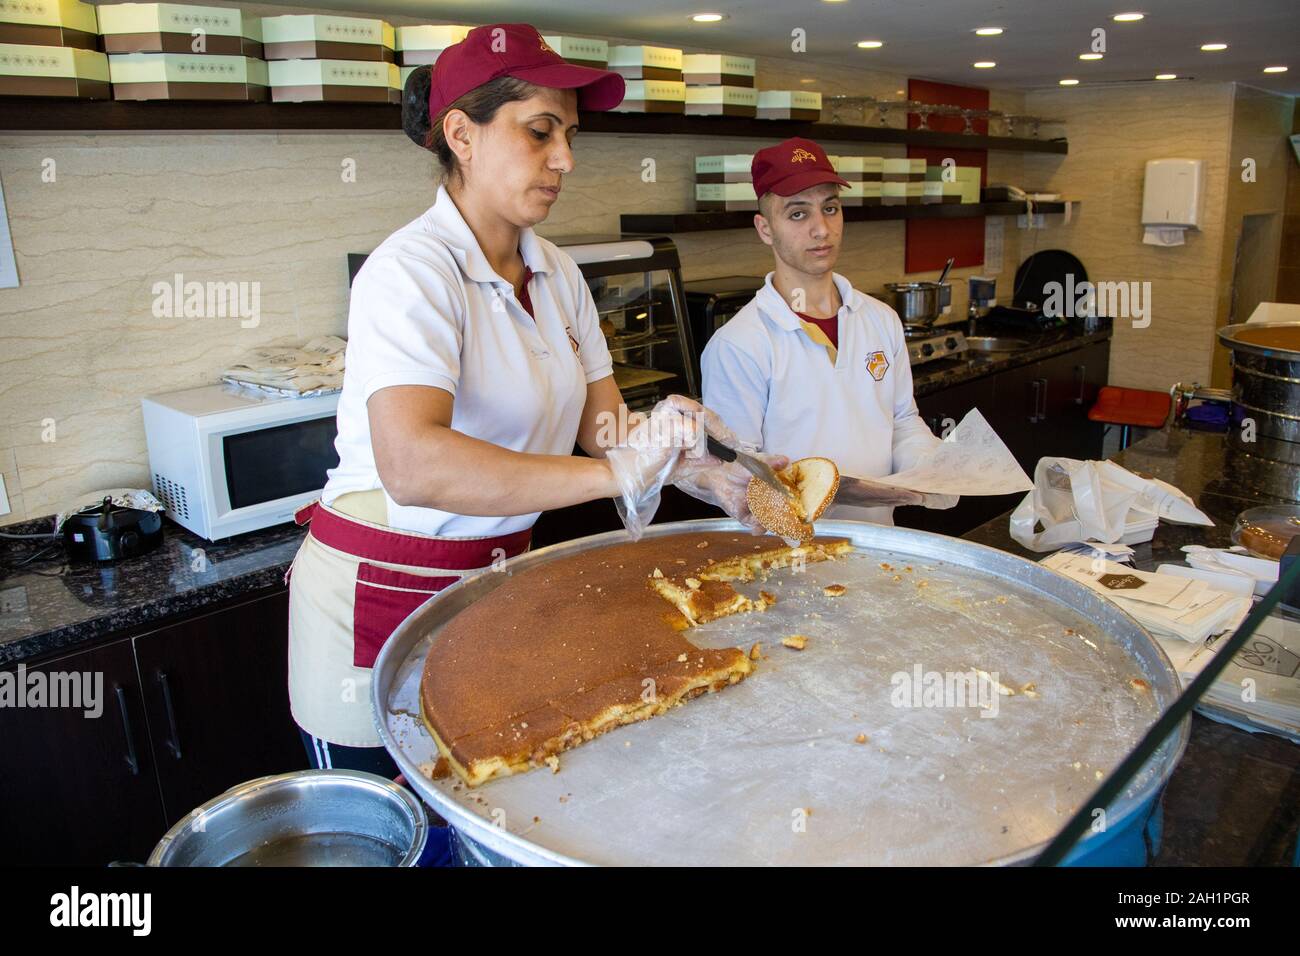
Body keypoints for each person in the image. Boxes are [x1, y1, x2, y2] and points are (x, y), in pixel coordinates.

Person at [286, 23, 771, 777]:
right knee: (407, 835)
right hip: (381, 593)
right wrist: (622, 475)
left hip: (496, 582)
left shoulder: (557, 274)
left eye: (570, 136)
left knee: (491, 801)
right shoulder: (410, 274)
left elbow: (605, 427)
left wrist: (691, 466)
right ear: (462, 134)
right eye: (540, 132)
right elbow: (415, 464)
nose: (566, 160)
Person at [701, 137, 959, 525]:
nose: (821, 229)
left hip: (881, 545)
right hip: (786, 560)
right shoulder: (740, 344)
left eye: (831, 208)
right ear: (765, 228)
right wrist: (841, 492)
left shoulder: (880, 319)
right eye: (798, 214)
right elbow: (739, 473)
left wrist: (928, 469)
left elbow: (903, 420)